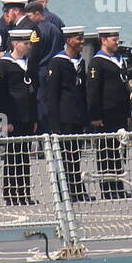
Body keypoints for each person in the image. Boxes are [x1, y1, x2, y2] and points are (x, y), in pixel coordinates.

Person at [0, 29, 37, 205]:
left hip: (26, 116)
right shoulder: (3, 65)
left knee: (25, 156)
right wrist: (4, 121)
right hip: (12, 117)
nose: (29, 46)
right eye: (26, 43)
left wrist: (34, 119)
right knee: (12, 157)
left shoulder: (28, 63)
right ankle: (10, 193)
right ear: (15, 44)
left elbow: (33, 93)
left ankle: (24, 193)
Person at [44, 26, 90, 201]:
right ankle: (65, 190)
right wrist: (54, 124)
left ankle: (77, 189)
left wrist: (85, 118)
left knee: (75, 155)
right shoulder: (57, 62)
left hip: (77, 115)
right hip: (63, 117)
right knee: (64, 157)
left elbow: (82, 91)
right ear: (69, 40)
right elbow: (52, 95)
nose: (82, 42)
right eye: (78, 39)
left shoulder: (80, 61)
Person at [88, 25, 131, 200]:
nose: (117, 43)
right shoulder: (97, 62)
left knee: (119, 151)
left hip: (119, 112)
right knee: (106, 152)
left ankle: (118, 186)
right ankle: (107, 188)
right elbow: (93, 91)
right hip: (105, 114)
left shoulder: (119, 59)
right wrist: (95, 115)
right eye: (113, 40)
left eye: (117, 39)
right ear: (103, 40)